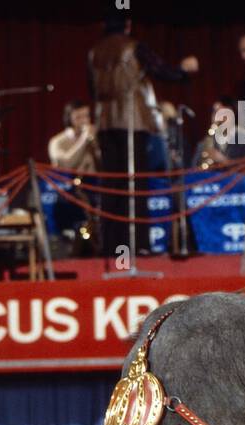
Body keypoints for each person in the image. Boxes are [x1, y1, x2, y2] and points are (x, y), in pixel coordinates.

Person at [87, 17, 197, 257]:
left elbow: (91, 89)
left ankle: (112, 246)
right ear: (127, 25)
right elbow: (161, 71)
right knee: (135, 182)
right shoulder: (133, 46)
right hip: (131, 120)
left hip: (105, 122)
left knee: (111, 186)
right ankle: (137, 245)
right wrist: (184, 72)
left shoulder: (94, 52)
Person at [47, 100, 100, 248]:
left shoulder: (94, 139)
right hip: (68, 191)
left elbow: (102, 163)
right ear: (69, 118)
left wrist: (96, 144)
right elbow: (66, 163)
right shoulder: (57, 141)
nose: (84, 121)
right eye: (78, 117)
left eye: (86, 116)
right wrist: (83, 140)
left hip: (94, 187)